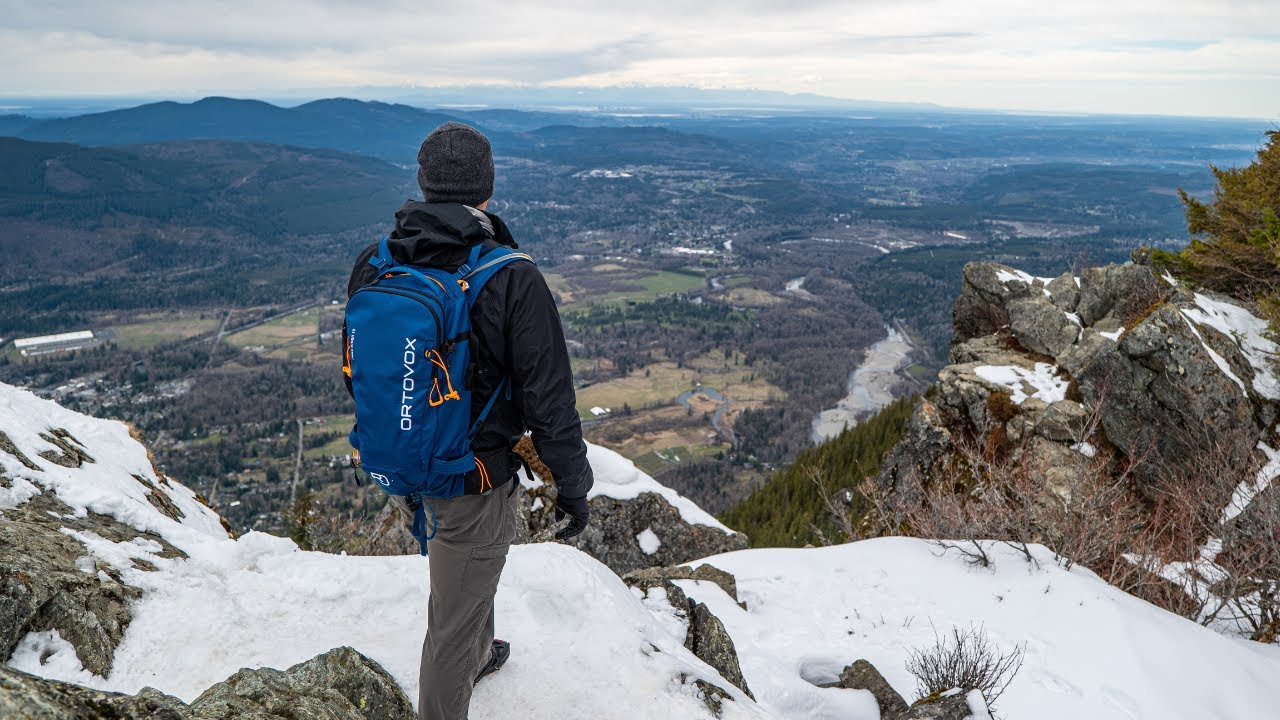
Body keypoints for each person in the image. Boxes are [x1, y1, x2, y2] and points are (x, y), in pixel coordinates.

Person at [346, 121, 594, 720]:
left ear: (424, 183)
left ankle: (481, 652)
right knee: (451, 624)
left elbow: (360, 371)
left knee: (466, 576)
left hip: (401, 456)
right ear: (486, 188)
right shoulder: (510, 276)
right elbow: (550, 405)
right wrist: (574, 486)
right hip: (473, 474)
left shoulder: (377, 261)